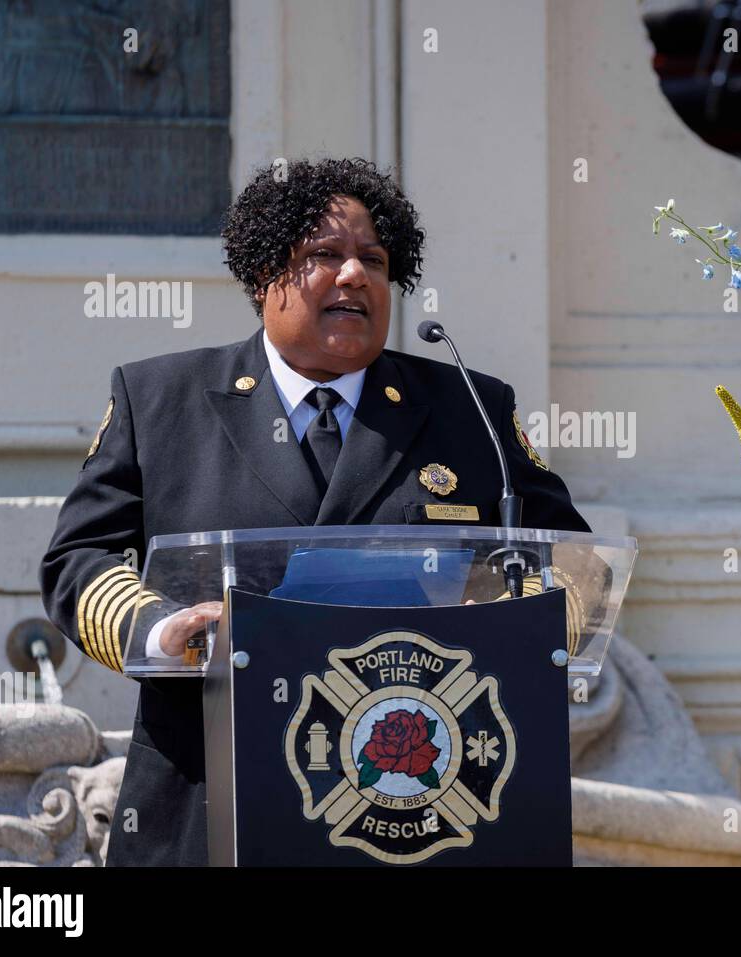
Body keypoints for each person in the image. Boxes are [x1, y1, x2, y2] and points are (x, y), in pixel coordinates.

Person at [40, 158, 590, 866]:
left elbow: (572, 567)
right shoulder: (160, 400)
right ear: (264, 275)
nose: (355, 276)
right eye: (324, 256)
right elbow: (77, 561)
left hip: (420, 805)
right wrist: (157, 626)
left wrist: (491, 612)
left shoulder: (472, 409)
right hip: (210, 799)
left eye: (374, 259)